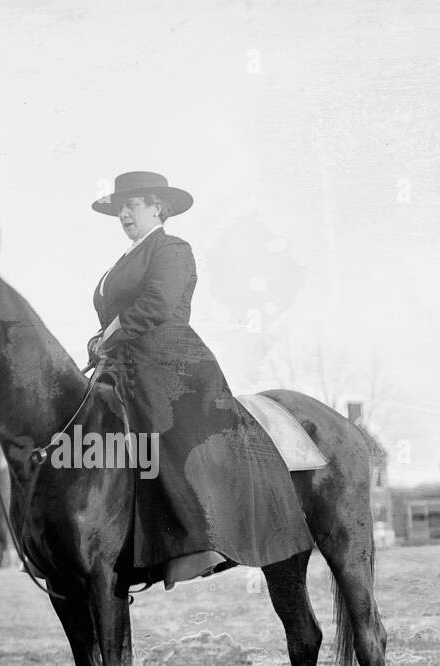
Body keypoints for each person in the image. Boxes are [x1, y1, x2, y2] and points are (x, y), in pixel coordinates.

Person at [88, 171, 314, 593]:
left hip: (169, 364)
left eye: (132, 205)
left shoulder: (172, 249)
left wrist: (116, 327)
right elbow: (110, 320)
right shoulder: (122, 261)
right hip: (124, 363)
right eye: (119, 207)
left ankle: (198, 542)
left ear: (158, 207)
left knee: (160, 435)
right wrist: (100, 340)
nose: (123, 214)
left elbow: (158, 302)